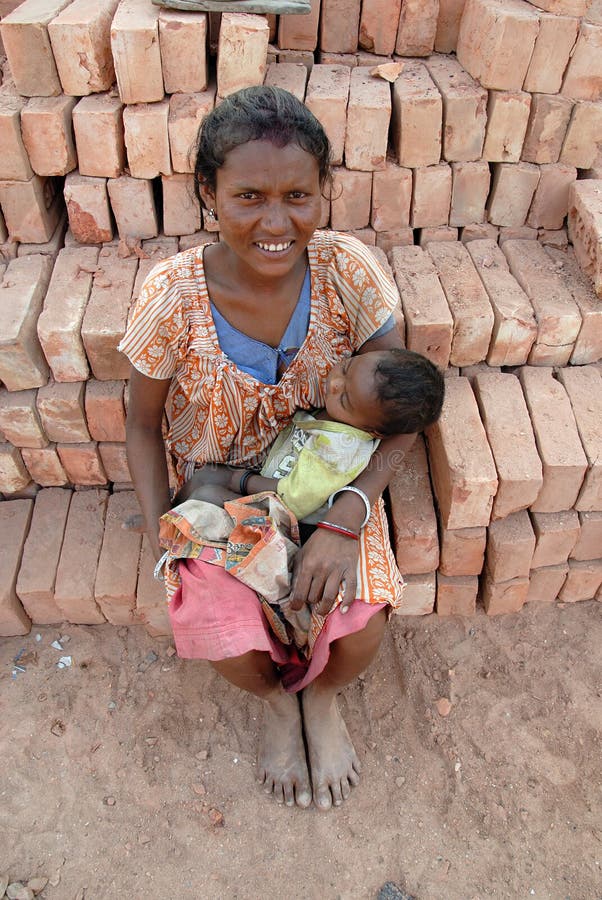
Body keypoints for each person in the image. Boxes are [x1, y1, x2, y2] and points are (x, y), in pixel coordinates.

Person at [120, 85, 421, 811]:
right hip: (221, 494)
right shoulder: (171, 294)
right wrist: (169, 532)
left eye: (298, 195)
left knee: (357, 627)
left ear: (325, 192)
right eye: (249, 196)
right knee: (225, 635)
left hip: (328, 486)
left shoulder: (349, 271)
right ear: (208, 193)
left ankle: (320, 698)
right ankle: (278, 705)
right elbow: (139, 424)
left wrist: (350, 515)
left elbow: (405, 407)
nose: (276, 221)